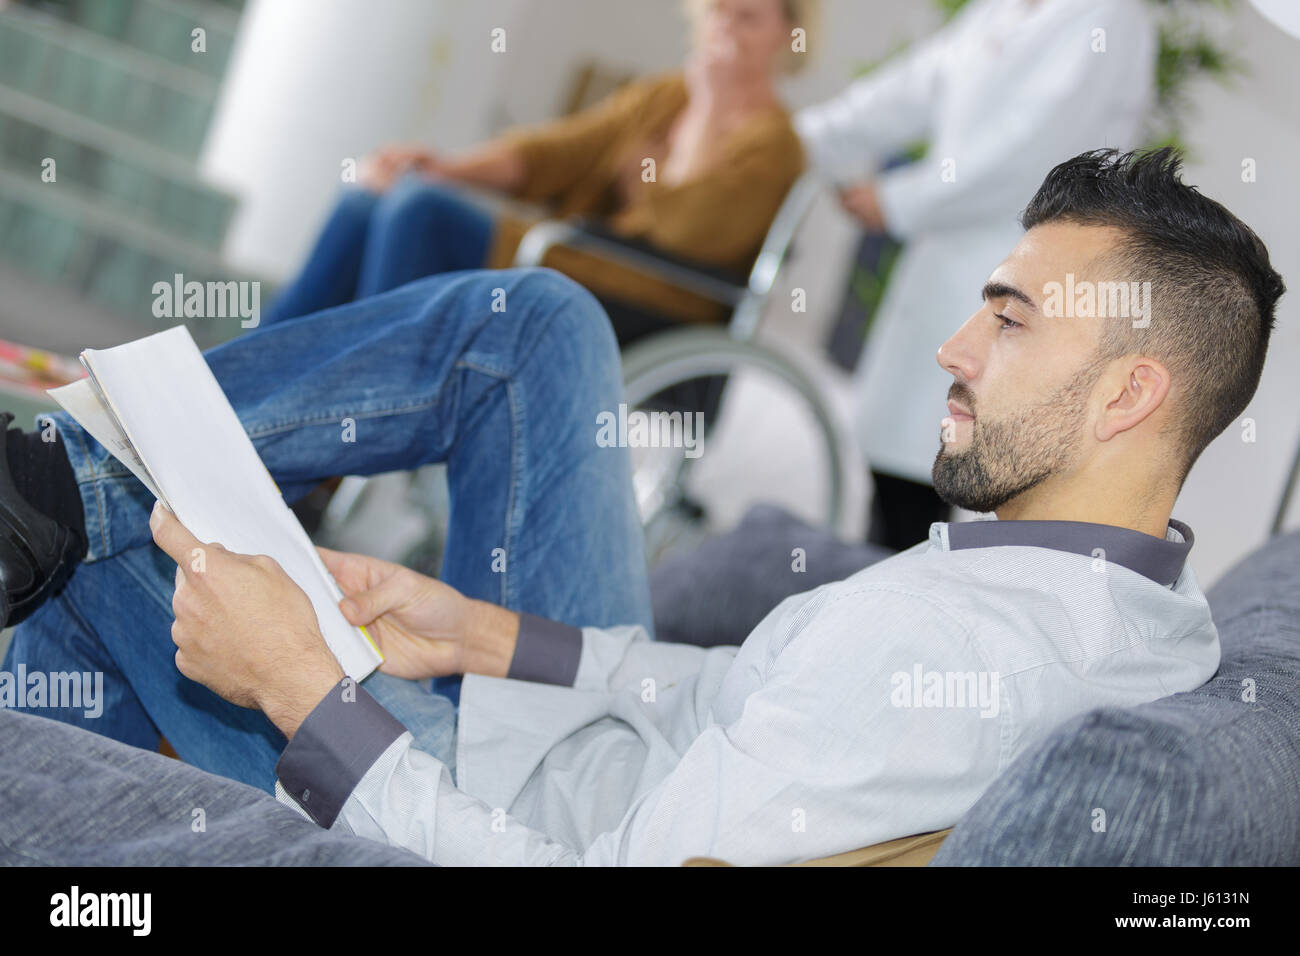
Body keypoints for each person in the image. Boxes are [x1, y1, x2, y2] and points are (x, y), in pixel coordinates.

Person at [0, 149, 1285, 865]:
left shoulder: (955, 657)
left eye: (1007, 318)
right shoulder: (1146, 614)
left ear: (1129, 395)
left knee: (98, 546)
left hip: (476, 817)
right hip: (567, 744)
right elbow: (755, 699)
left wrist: (304, 694)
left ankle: (54, 486)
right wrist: (485, 634)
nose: (952, 346)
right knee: (533, 327)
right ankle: (55, 483)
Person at [795, 0, 1158, 550]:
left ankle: (895, 611)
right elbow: (912, 87)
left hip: (1017, 266)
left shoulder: (1107, 19)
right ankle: (873, 600)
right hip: (945, 260)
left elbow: (1025, 151)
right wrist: (800, 136)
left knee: (937, 467)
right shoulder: (1003, 10)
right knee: (898, 468)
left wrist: (897, 199)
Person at [263, 0, 810, 332]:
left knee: (420, 213)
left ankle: (349, 422)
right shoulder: (666, 96)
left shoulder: (775, 146)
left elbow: (683, 232)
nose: (725, 29)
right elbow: (557, 153)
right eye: (719, 11)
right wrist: (446, 168)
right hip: (575, 255)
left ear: (788, 34)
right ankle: (237, 402)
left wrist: (712, 110)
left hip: (638, 291)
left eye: (749, 18)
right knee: (371, 201)